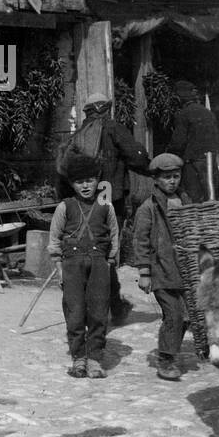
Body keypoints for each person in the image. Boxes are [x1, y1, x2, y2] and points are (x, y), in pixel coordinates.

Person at [74, 92, 150, 325]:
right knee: (105, 252)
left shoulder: (77, 136)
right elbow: (136, 156)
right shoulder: (113, 128)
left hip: (83, 203)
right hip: (110, 200)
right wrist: (152, 169)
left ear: (87, 111)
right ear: (106, 108)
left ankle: (114, 305)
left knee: (93, 249)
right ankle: (105, 307)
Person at [49, 153, 120, 379]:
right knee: (75, 313)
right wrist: (60, 268)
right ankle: (79, 357)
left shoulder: (105, 204)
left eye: (90, 180)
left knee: (99, 313)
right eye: (80, 182)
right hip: (72, 265)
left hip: (100, 264)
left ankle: (95, 359)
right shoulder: (65, 206)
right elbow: (54, 239)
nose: (86, 186)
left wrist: (110, 263)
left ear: (97, 180)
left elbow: (115, 236)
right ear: (72, 184)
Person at [133, 153, 193, 381]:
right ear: (156, 180)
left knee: (187, 317)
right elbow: (141, 241)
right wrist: (144, 272)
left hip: (184, 270)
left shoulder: (185, 201)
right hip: (161, 271)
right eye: (166, 177)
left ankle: (172, 351)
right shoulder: (149, 208)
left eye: (176, 176)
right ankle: (166, 360)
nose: (172, 181)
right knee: (174, 315)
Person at [167, 84, 219, 202]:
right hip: (210, 161)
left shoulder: (184, 114)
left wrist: (168, 155)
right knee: (212, 196)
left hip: (193, 163)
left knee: (195, 198)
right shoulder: (208, 113)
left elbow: (178, 143)